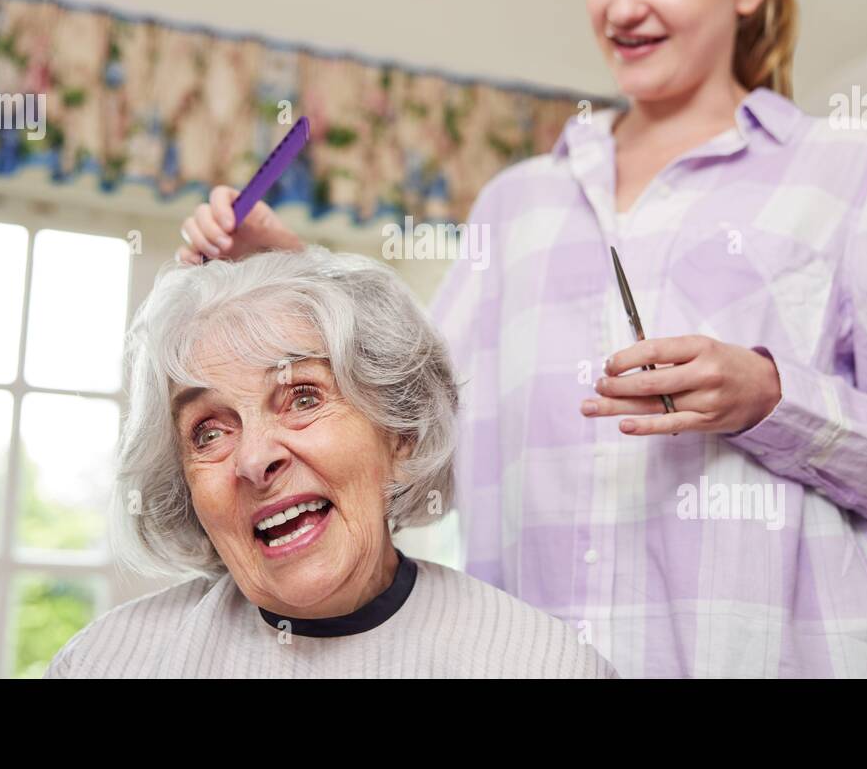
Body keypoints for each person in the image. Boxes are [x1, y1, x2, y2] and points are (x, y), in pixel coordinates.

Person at [176, 0, 867, 677]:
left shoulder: (855, 172)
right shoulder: (520, 202)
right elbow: (413, 414)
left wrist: (772, 396)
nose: (622, 6)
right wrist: (287, 265)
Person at [45, 247, 616, 678]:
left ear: (400, 434)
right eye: (209, 431)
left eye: (303, 397)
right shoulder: (104, 664)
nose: (254, 458)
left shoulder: (540, 664)